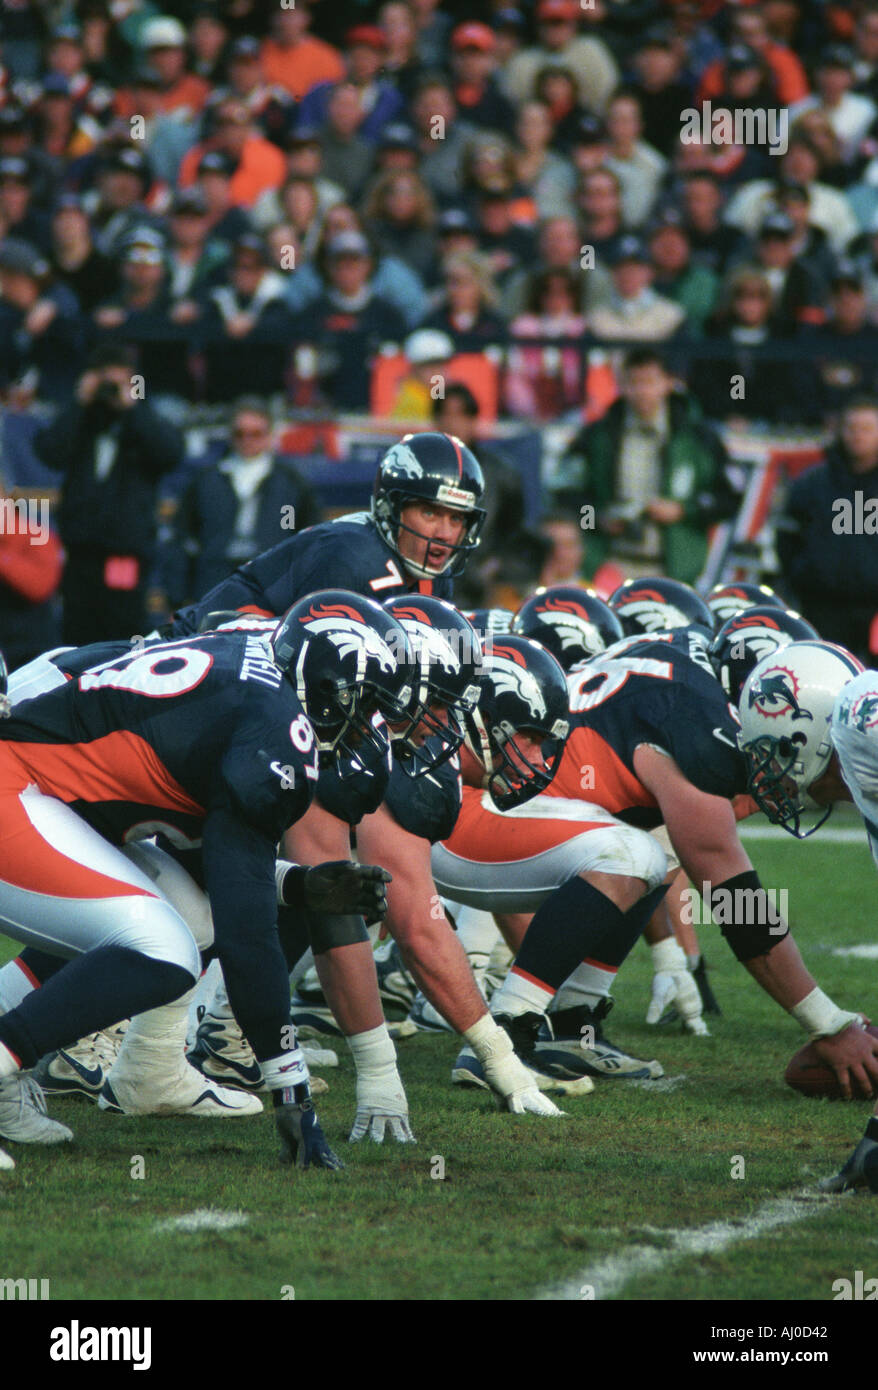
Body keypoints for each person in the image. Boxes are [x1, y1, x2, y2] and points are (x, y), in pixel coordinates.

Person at [0, 592, 414, 1165]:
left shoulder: (247, 661)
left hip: (49, 792)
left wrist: (298, 885)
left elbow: (218, 873)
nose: (368, 726)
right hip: (18, 791)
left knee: (189, 921)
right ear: (323, 690)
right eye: (363, 704)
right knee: (165, 952)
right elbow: (248, 941)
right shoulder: (276, 735)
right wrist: (291, 1095)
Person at [436, 628, 878, 1096]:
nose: (848, 786)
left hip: (504, 814)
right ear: (801, 731)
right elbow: (740, 910)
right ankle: (505, 1033)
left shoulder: (692, 689)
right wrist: (828, 1024)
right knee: (636, 854)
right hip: (462, 817)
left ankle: (572, 1023)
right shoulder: (702, 734)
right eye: (843, 765)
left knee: (655, 845)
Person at [196, 602, 567, 1120]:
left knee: (331, 883)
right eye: (438, 701)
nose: (445, 721)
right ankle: (134, 1045)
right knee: (181, 905)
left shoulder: (357, 717)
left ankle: (225, 1029)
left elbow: (358, 896)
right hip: (123, 763)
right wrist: (385, 1067)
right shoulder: (315, 703)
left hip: (195, 767)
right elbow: (406, 923)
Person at [737, 641, 878, 1191]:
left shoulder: (863, 723)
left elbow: (718, 876)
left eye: (773, 750)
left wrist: (825, 1020)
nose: (770, 771)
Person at [34, 344, 184, 645]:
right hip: (81, 547)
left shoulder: (144, 418)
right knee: (76, 629)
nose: (110, 389)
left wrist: (132, 405)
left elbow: (169, 453)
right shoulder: (83, 420)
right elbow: (50, 452)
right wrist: (80, 402)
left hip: (124, 547)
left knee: (122, 627)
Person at [554, 348, 734, 585]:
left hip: (676, 571)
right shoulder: (597, 436)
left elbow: (728, 499)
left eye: (650, 382)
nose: (642, 392)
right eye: (633, 383)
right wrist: (597, 518)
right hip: (609, 567)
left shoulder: (699, 437)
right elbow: (565, 492)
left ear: (669, 383)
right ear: (621, 385)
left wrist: (683, 510)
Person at [163, 397, 320, 611]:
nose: (247, 440)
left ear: (270, 435)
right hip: (214, 584)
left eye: (256, 434)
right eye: (240, 433)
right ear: (230, 435)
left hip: (270, 587)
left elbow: (304, 539)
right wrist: (177, 599)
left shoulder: (290, 485)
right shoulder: (207, 481)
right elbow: (181, 540)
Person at [777, 396, 878, 660]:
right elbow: (786, 537)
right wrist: (801, 575)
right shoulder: (812, 482)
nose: (858, 436)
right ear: (840, 430)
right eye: (852, 428)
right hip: (822, 607)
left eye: (867, 429)